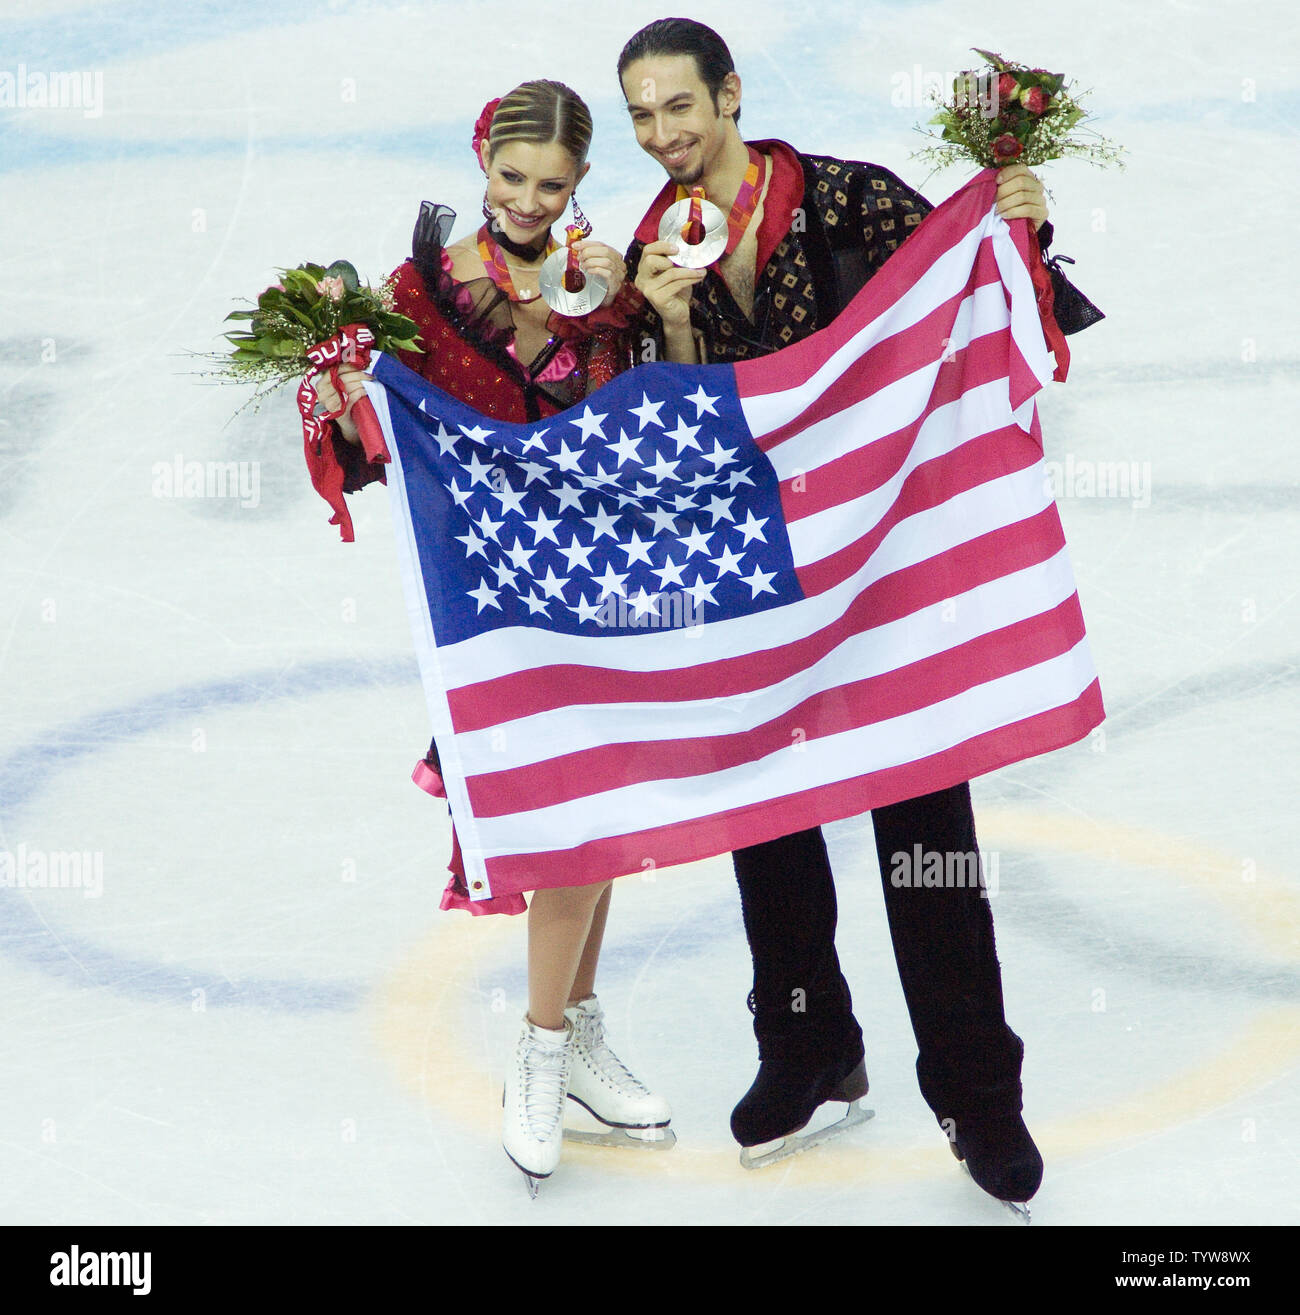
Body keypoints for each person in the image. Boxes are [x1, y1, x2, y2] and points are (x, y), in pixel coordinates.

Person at [618, 18, 1101, 1213]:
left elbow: (975, 299)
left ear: (730, 96)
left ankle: (980, 1099)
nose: (662, 135)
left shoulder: (847, 204)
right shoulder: (642, 257)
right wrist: (670, 328)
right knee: (767, 823)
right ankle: (810, 1052)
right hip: (755, 591)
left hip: (884, 585)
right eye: (639, 116)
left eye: (679, 106)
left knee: (927, 845)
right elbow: (654, 441)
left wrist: (1016, 224)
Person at [314, 79, 670, 1196]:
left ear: (579, 183)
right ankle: (542, 1048)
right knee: (567, 825)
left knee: (601, 820)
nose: (525, 200)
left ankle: (576, 1040)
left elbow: (646, 420)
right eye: (510, 178)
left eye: (551, 183)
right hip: (495, 603)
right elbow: (384, 450)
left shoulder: (604, 283)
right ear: (481, 165)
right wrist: (336, 395)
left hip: (603, 586)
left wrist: (650, 313)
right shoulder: (421, 294)